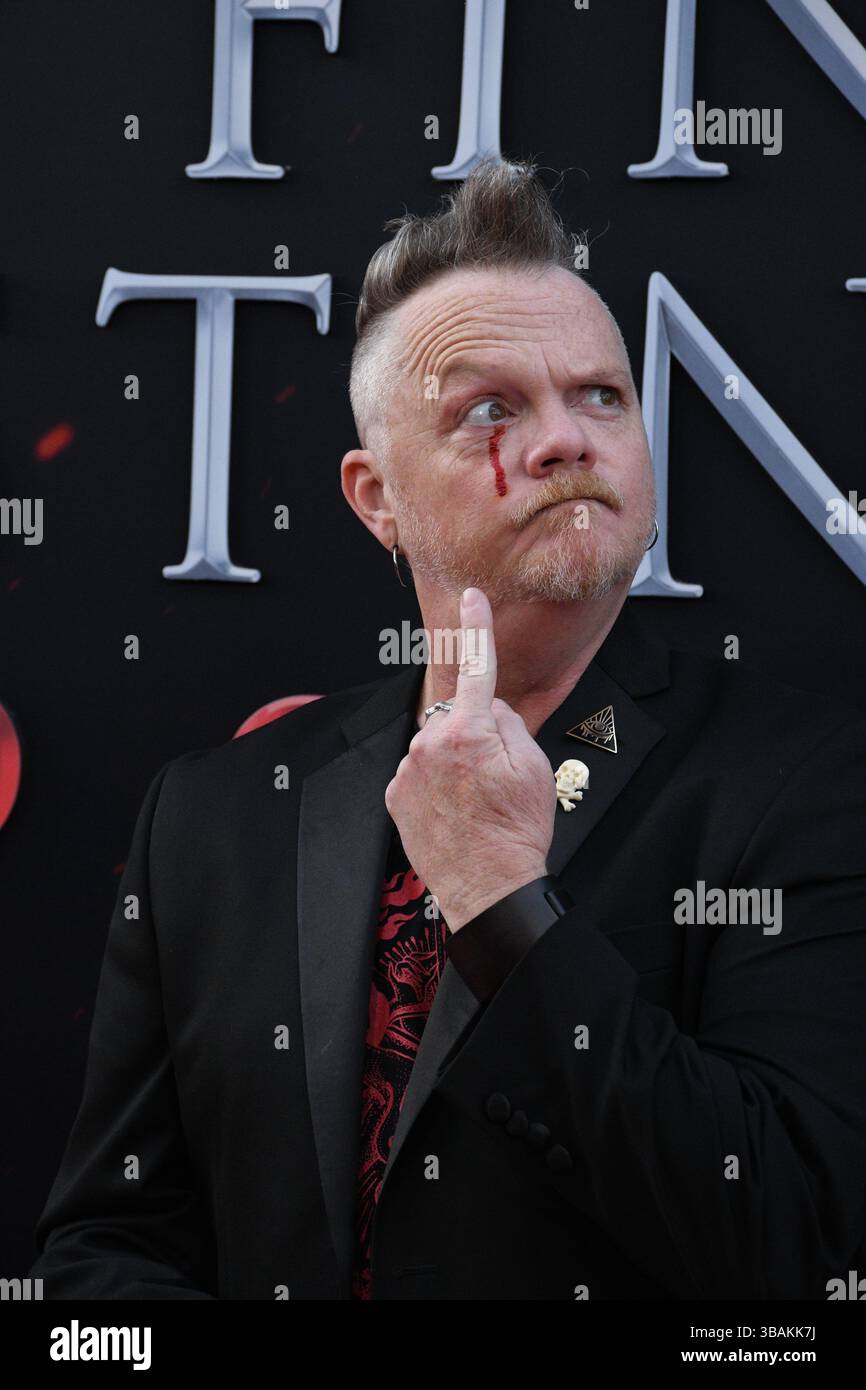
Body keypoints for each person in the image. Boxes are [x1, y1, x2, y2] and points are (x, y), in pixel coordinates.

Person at [30, 158, 866, 1300]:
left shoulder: (810, 782)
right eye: (491, 409)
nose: (565, 440)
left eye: (601, 396)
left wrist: (500, 899)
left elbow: (793, 1247)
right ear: (376, 497)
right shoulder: (213, 813)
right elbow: (106, 1252)